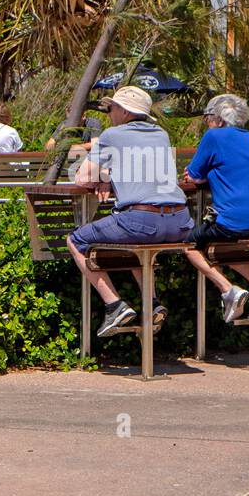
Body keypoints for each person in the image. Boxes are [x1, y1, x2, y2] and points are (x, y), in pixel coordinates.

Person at [66, 86, 192, 336]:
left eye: (111, 108)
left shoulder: (113, 135)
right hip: (180, 222)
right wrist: (110, 178)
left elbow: (81, 178)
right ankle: (152, 303)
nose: (108, 113)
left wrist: (103, 177)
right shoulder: (161, 134)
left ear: (124, 111)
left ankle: (114, 305)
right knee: (137, 245)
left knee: (76, 240)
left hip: (142, 221)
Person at [181, 94, 249, 322]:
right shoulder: (248, 137)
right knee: (228, 244)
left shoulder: (214, 136)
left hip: (236, 223)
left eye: (208, 118)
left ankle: (229, 290)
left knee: (190, 245)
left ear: (218, 119)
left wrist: (200, 176)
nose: (207, 123)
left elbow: (194, 175)